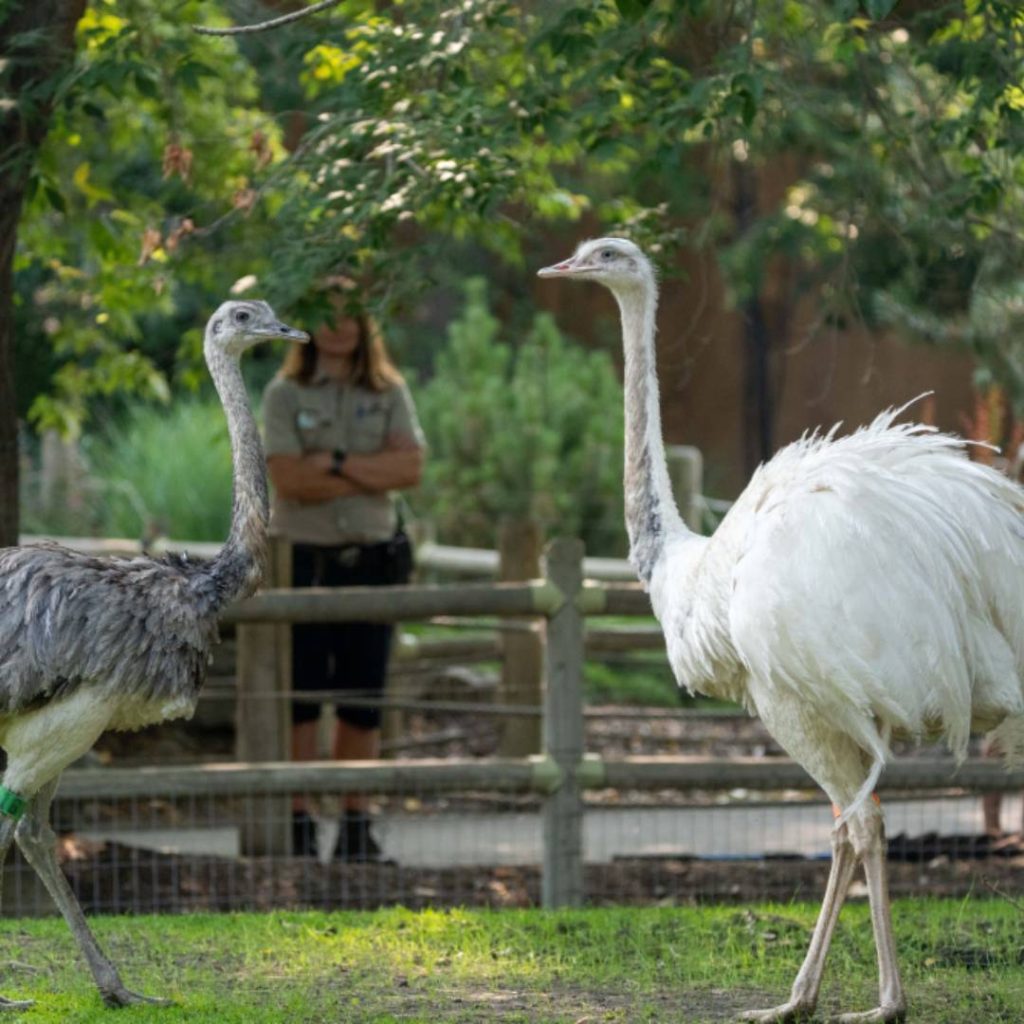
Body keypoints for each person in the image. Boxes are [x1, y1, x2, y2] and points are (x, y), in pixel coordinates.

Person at [262, 280, 425, 860]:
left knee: (363, 698)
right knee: (302, 697)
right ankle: (300, 819)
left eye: (348, 315)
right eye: (325, 315)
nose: (337, 326)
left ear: (364, 324)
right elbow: (289, 480)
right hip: (304, 562)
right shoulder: (284, 394)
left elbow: (410, 468)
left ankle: (357, 825)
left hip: (373, 560)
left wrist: (330, 461)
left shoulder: (389, 391)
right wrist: (367, 471)